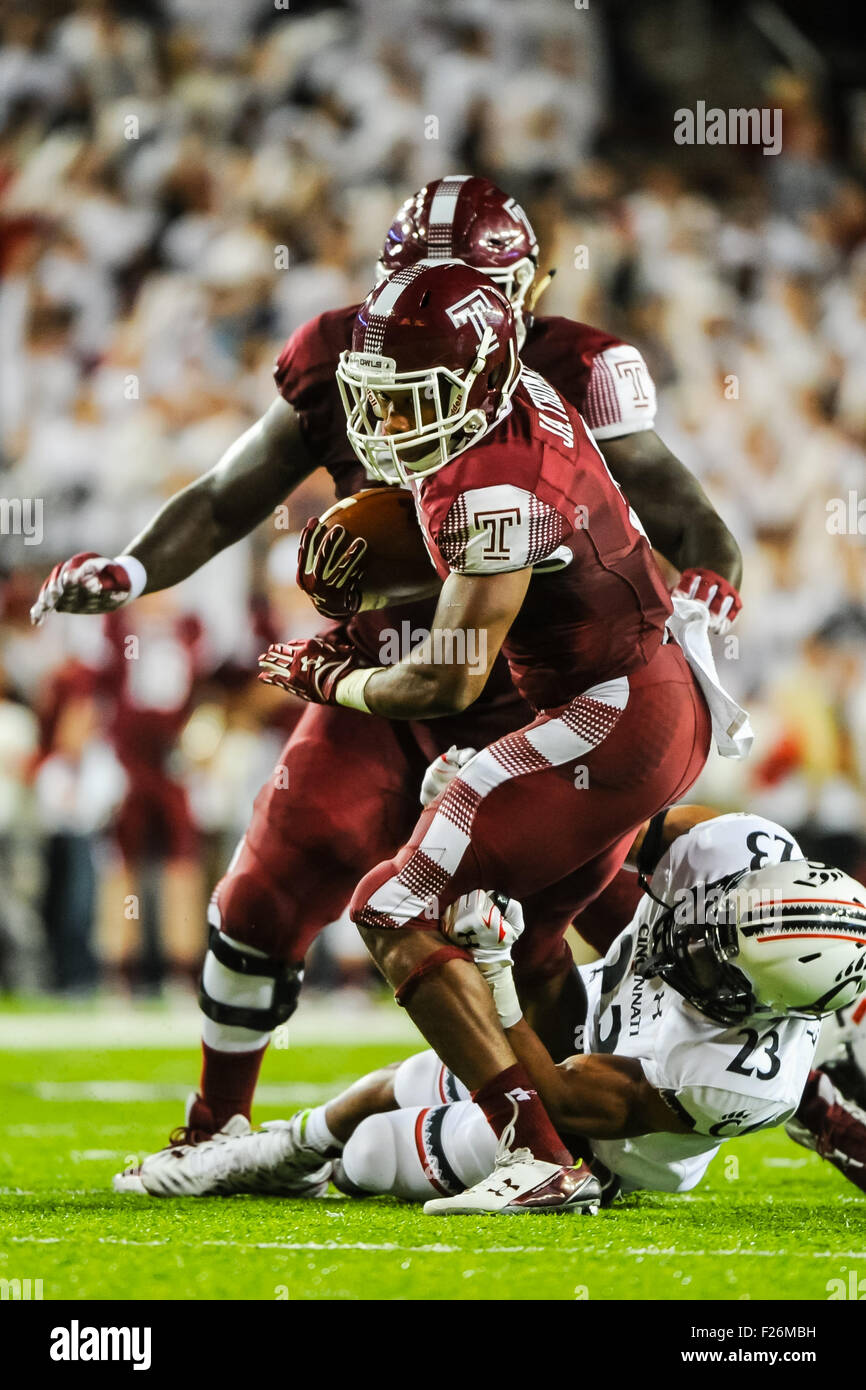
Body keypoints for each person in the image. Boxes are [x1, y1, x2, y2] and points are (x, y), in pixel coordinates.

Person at [31, 176, 741, 1152]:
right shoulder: (344, 353)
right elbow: (232, 490)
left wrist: (710, 576)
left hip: (520, 702)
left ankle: (599, 1131)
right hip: (380, 679)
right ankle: (216, 1127)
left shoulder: (570, 373)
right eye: (407, 278)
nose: (416, 306)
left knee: (546, 939)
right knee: (259, 895)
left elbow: (676, 503)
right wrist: (136, 563)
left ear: (511, 298)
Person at [255, 257, 725, 1208]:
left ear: (476, 378)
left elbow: (445, 676)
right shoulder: (518, 405)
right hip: (635, 697)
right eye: (376, 402)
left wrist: (331, 673)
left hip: (610, 716)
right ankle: (579, 1141)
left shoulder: (490, 489)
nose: (387, 426)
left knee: (392, 907)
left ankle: (536, 1155)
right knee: (541, 941)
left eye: (410, 401)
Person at [120, 805, 866, 1212]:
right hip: (588, 1011)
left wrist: (496, 972)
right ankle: (278, 1153)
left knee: (377, 1156)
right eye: (711, 919)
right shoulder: (743, 851)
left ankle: (341, 1164)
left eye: (713, 959)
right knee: (397, 1083)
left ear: (759, 1007)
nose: (686, 940)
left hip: (602, 1145)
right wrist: (504, 820)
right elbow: (616, 824)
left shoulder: (739, 1078)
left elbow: (565, 1094)